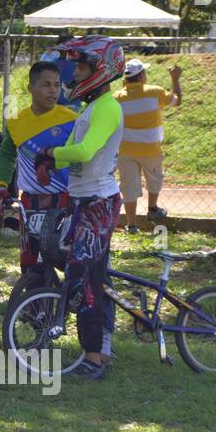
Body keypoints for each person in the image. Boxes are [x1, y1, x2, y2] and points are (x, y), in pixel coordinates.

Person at [36, 36, 125, 380]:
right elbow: (75, 151)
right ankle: (100, 347)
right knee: (93, 275)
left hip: (99, 202)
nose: (75, 72)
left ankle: (93, 357)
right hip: (84, 199)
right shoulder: (92, 107)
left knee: (80, 275)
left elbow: (85, 151)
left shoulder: (107, 108)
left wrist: (52, 155)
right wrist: (52, 162)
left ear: (102, 69)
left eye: (82, 66)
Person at [0, 60, 78, 280]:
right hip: (30, 202)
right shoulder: (17, 122)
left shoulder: (72, 120)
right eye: (46, 84)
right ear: (31, 88)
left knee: (68, 257)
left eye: (57, 85)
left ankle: (69, 302)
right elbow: (6, 154)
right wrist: (0, 185)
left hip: (65, 199)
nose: (53, 90)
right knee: (30, 259)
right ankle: (36, 308)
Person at [115, 58, 181, 234]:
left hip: (125, 150)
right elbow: (177, 101)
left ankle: (132, 226)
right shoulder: (154, 92)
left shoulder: (117, 98)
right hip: (150, 149)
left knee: (129, 186)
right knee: (154, 178)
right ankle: (152, 209)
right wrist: (175, 78)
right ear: (142, 76)